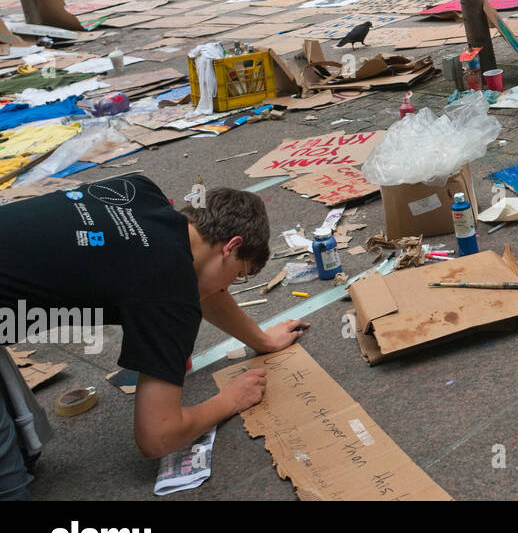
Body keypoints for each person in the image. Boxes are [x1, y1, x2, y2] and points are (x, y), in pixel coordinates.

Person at [0, 175, 309, 497]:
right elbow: (158, 437)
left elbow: (209, 285)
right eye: (239, 275)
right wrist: (230, 399)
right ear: (232, 246)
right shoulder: (168, 288)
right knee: (10, 484)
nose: (228, 287)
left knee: (24, 451)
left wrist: (261, 340)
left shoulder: (141, 192)